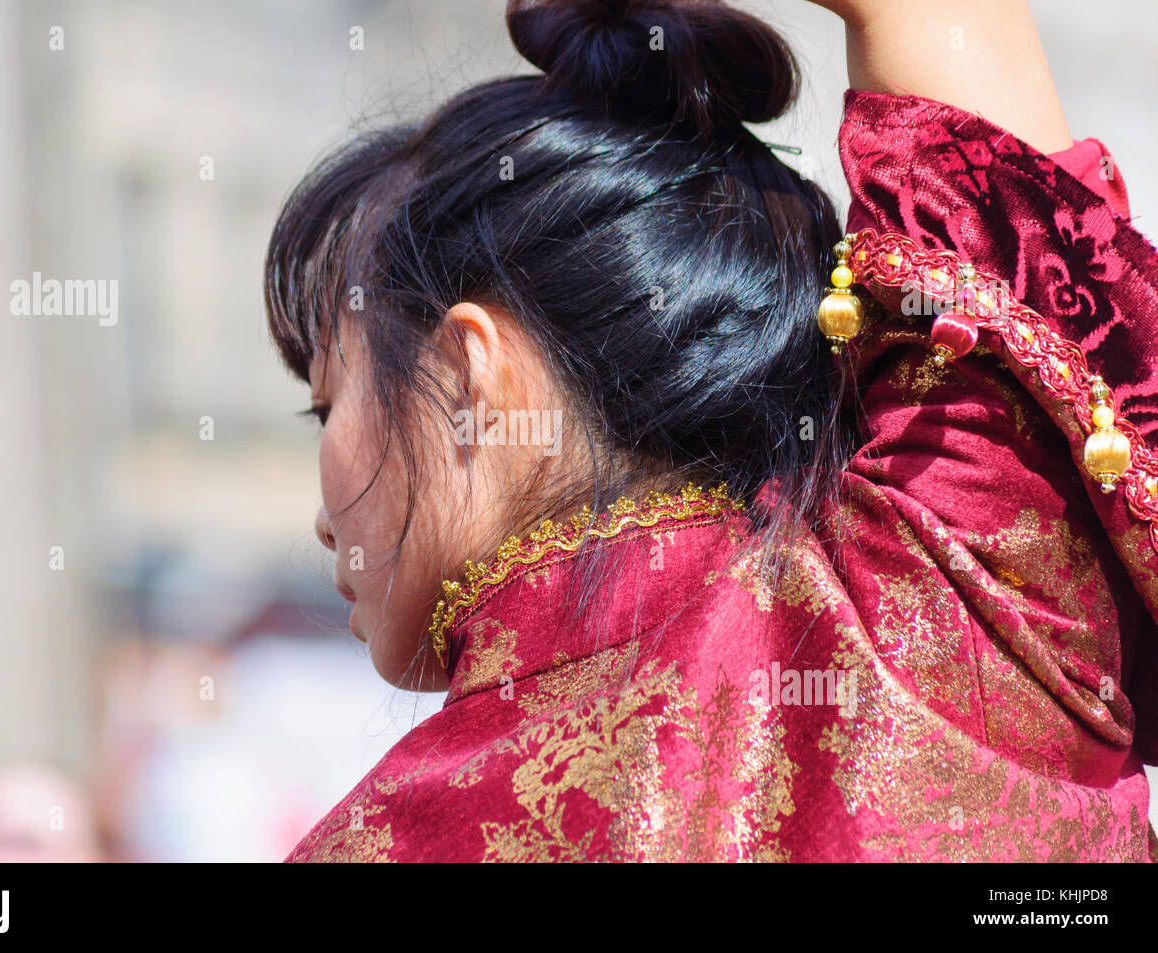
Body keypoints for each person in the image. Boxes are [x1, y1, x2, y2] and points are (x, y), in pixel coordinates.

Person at [264, 0, 1158, 861]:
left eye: (328, 400)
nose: (321, 518)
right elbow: (967, 94)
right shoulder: (948, 613)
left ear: (466, 379)